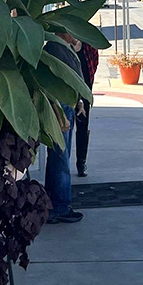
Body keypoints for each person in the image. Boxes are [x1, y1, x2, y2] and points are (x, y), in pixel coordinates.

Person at [44, 33, 86, 224]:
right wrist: (59, 111)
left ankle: (53, 203)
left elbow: (74, 78)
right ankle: (59, 205)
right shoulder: (55, 50)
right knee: (61, 156)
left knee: (59, 155)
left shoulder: (62, 49)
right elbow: (53, 83)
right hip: (60, 106)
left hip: (65, 104)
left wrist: (79, 102)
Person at [75, 42, 99, 177]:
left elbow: (93, 64)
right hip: (65, 93)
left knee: (83, 127)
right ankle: (62, 165)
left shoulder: (89, 45)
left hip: (84, 92)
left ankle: (81, 161)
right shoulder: (62, 43)